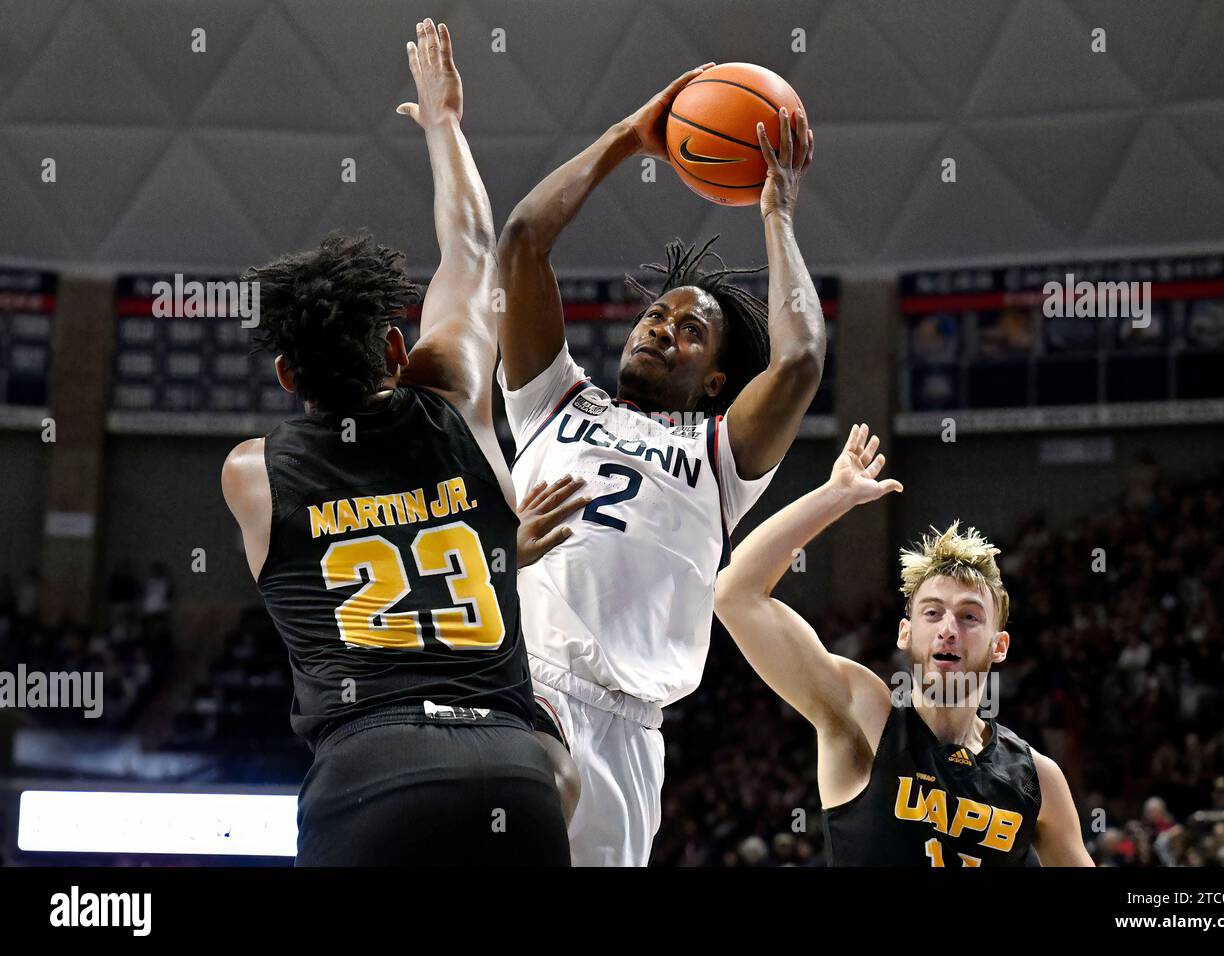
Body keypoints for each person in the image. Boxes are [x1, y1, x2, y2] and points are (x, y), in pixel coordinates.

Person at [220, 20, 569, 865]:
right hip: (518, 771)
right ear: (395, 350)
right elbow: (474, 249)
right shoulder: (451, 394)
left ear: (286, 378)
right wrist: (445, 127)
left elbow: (378, 549)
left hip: (372, 772)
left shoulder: (251, 474)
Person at [495, 65, 824, 865]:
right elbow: (522, 243)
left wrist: (776, 217)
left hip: (634, 732)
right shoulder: (553, 403)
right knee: (520, 805)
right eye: (655, 313)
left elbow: (803, 359)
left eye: (687, 329)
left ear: (714, 380)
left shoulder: (718, 457)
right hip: (530, 683)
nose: (659, 327)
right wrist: (625, 138)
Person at [715, 424, 1094, 866]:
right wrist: (834, 495)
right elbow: (734, 594)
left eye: (970, 616)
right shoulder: (864, 718)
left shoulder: (1037, 780)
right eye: (932, 613)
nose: (948, 628)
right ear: (905, 633)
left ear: (999, 645)